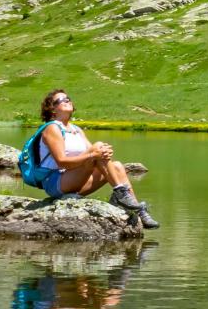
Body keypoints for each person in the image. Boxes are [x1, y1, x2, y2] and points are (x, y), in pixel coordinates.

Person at [37, 88, 159, 229]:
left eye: (68, 98)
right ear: (53, 109)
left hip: (76, 180)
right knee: (98, 149)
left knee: (118, 165)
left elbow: (93, 153)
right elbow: (62, 161)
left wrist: (103, 153)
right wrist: (94, 154)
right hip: (56, 181)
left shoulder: (76, 129)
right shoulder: (52, 128)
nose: (67, 101)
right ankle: (121, 194)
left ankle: (136, 210)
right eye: (61, 100)